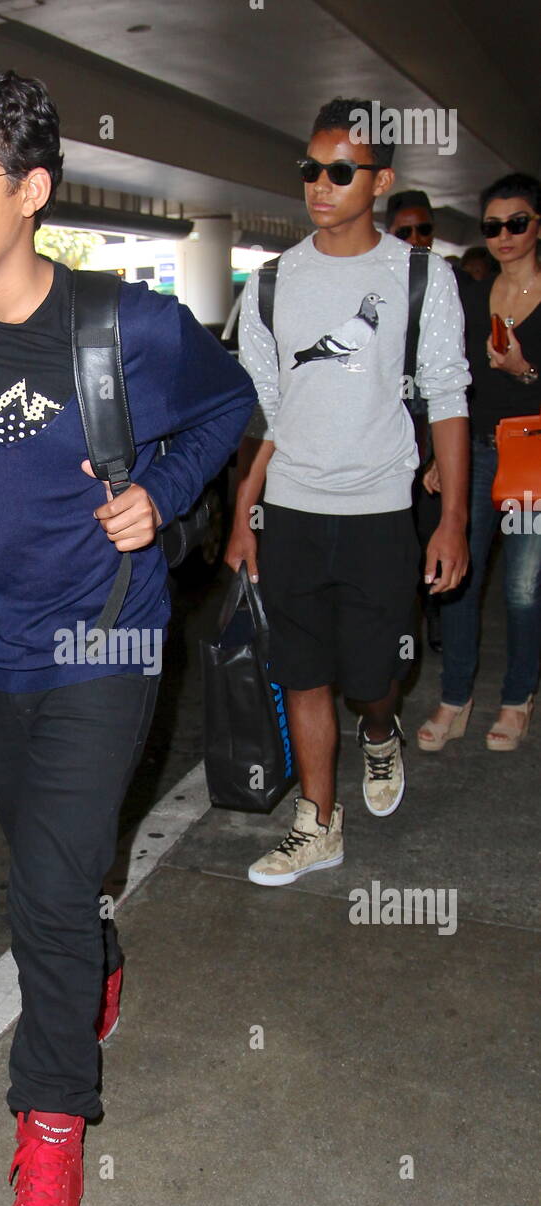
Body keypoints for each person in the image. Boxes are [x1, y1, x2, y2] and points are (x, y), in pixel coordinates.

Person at [0, 62, 256, 1206]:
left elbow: (229, 405)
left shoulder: (128, 327)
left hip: (105, 639)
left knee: (45, 885)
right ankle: (89, 960)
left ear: (31, 190)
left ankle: (49, 1121)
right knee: (49, 868)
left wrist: (161, 494)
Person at [227, 96, 470, 886]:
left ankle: (380, 728)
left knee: (372, 678)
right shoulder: (269, 284)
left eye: (340, 171)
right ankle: (318, 823)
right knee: (301, 670)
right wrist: (242, 513)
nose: (320, 185)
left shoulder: (422, 277)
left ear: (380, 181)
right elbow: (263, 412)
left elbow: (449, 395)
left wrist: (454, 521)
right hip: (292, 509)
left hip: (378, 515)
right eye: (311, 169)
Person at [418, 172, 541, 752]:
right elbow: (452, 386)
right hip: (478, 453)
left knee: (523, 587)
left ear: (537, 225)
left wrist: (525, 372)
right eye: (493, 226)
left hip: (533, 457)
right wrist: (447, 455)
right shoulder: (471, 295)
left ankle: (517, 698)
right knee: (456, 578)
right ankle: (455, 698)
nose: (503, 236)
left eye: (516, 223)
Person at [385, 189, 442, 652]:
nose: (416, 238)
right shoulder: (374, 286)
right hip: (387, 441)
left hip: (430, 438)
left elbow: (455, 391)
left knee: (430, 533)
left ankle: (432, 620)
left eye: (424, 228)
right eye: (405, 231)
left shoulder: (443, 283)